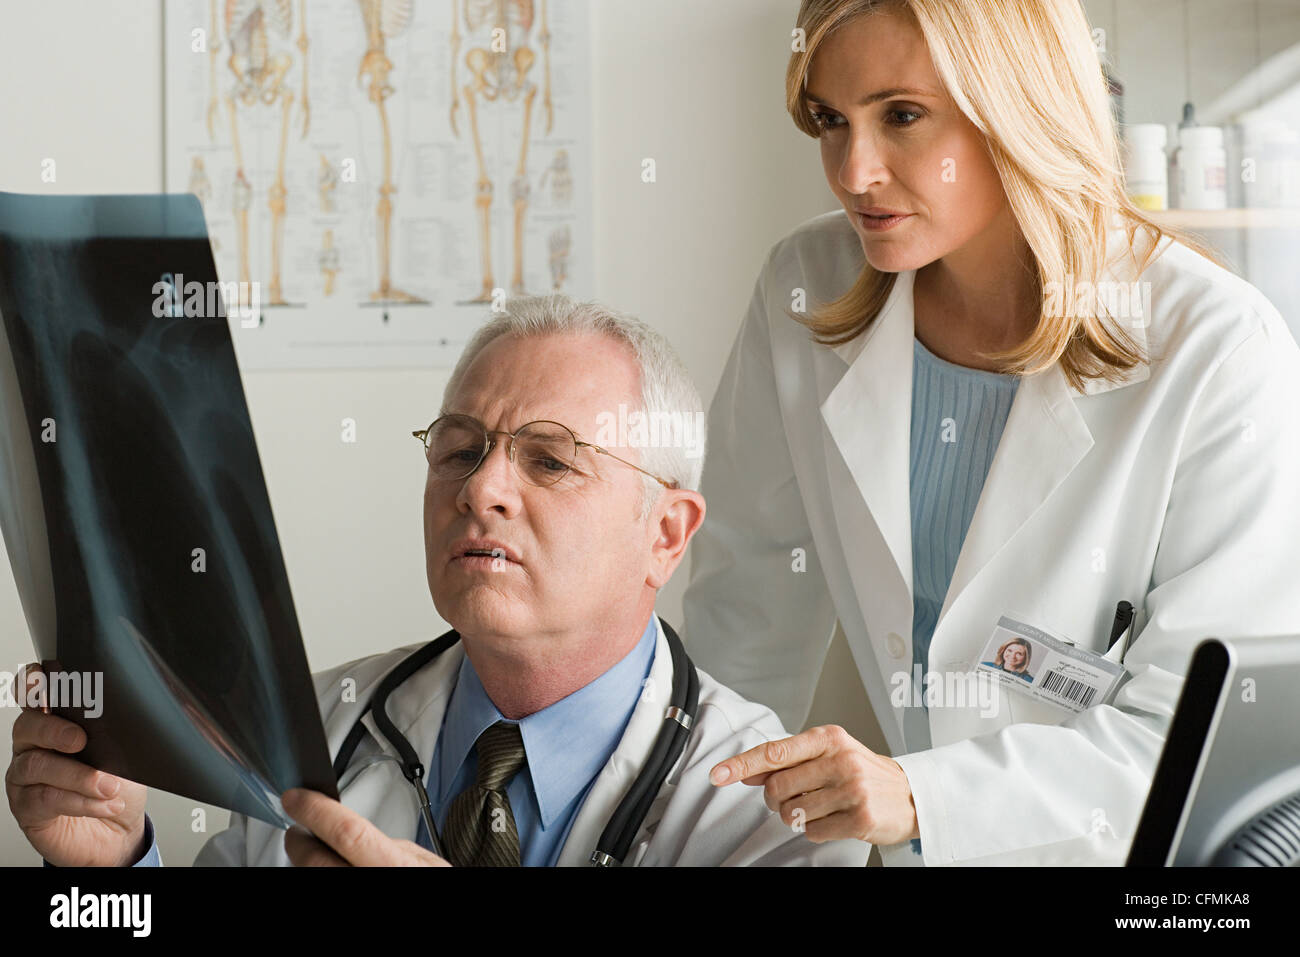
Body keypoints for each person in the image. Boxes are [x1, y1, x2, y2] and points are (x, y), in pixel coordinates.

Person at [684, 0, 1300, 866]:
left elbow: (1198, 743)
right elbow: (742, 623)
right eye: (830, 121)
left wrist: (920, 794)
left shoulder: (1220, 350)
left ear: (1017, 103)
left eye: (901, 115)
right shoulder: (805, 287)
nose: (854, 171)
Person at [7, 295, 868, 868]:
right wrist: (114, 867)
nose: (480, 488)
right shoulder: (317, 726)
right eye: (459, 447)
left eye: (550, 459)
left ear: (666, 533)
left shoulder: (768, 813)